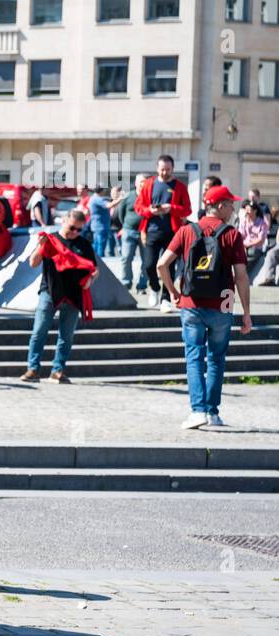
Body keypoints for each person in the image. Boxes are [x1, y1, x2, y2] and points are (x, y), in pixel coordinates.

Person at [158, 186, 252, 429]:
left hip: (191, 303)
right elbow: (241, 277)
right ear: (219, 206)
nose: (234, 208)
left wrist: (172, 291)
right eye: (231, 204)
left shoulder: (186, 231)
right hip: (223, 303)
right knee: (216, 359)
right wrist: (247, 313)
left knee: (194, 357)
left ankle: (197, 411)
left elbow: (162, 265)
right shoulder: (232, 234)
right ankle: (212, 413)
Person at [20, 208, 98, 384]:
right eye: (72, 228)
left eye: (79, 229)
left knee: (66, 336)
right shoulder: (51, 239)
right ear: (64, 221)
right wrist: (41, 246)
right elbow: (33, 263)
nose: (75, 233)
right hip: (50, 291)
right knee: (39, 332)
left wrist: (90, 280)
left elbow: (95, 269)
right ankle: (33, 369)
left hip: (73, 295)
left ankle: (58, 370)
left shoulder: (84, 244)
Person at [135, 154, 192, 312]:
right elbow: (138, 207)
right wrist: (150, 211)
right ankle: (154, 287)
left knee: (169, 266)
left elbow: (187, 209)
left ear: (173, 169)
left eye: (168, 169)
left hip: (172, 233)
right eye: (162, 169)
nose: (164, 172)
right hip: (151, 230)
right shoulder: (149, 184)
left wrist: (171, 208)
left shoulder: (179, 187)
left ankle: (166, 297)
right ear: (157, 169)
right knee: (149, 265)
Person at [112, 179, 148, 293]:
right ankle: (126, 282)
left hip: (145, 232)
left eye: (145, 182)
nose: (143, 184)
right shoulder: (128, 196)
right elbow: (121, 214)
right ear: (136, 183)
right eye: (141, 182)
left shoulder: (150, 196)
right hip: (129, 231)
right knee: (126, 257)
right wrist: (127, 225)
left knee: (146, 260)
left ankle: (142, 286)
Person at [239, 202, 269, 278]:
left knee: (250, 255)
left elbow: (261, 239)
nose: (247, 211)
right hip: (244, 246)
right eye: (246, 209)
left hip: (255, 247)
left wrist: (249, 244)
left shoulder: (262, 223)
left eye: (249, 209)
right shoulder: (244, 222)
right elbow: (240, 235)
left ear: (255, 211)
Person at [87, 187, 113, 261]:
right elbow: (109, 205)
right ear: (102, 190)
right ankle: (99, 263)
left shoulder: (92, 198)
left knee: (96, 245)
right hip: (101, 226)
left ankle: (94, 262)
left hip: (96, 225)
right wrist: (119, 199)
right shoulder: (98, 199)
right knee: (100, 246)